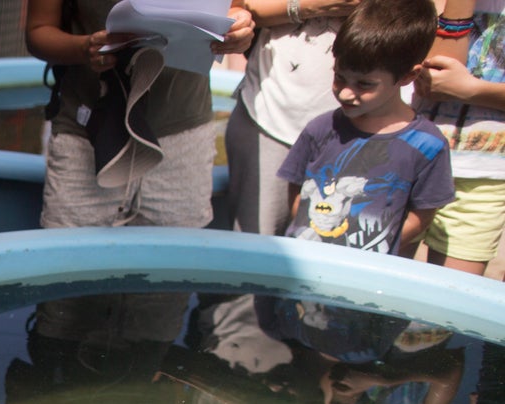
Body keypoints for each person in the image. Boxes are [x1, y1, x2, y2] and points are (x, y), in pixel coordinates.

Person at [24, 1, 255, 232]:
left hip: (183, 136)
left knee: (175, 260)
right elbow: (39, 31)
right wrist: (86, 48)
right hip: (87, 135)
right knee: (72, 258)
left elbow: (233, 10)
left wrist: (238, 29)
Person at [277, 0, 454, 257]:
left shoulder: (428, 145)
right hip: (306, 261)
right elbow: (297, 189)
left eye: (364, 84)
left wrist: (374, 245)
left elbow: (423, 213)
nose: (346, 92)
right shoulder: (321, 129)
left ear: (407, 76)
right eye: (340, 77)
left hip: (368, 271)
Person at [226, 1, 360, 235]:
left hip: (359, 129)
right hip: (269, 115)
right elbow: (237, 9)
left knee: (339, 241)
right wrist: (313, 5)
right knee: (253, 247)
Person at [413, 0, 505, 278]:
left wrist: (472, 90)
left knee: (451, 302)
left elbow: (445, 85)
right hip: (407, 159)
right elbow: (432, 81)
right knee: (374, 301)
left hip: (482, 179)